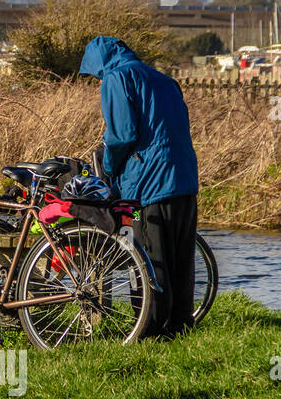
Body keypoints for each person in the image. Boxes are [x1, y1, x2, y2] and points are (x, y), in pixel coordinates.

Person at [79, 36, 199, 338]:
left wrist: (108, 168)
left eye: (95, 75)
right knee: (180, 258)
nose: (97, 81)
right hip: (184, 177)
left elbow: (122, 134)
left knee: (150, 257)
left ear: (99, 65)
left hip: (150, 182)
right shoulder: (165, 80)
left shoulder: (117, 78)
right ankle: (180, 325)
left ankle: (150, 329)